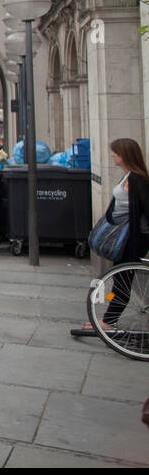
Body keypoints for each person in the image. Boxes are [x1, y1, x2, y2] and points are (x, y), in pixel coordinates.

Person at [78, 138, 149, 333]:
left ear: (125, 155)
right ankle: (109, 318)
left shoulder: (136, 179)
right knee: (120, 278)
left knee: (121, 279)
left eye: (115, 152)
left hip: (133, 239)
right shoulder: (129, 176)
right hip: (129, 237)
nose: (112, 155)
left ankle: (109, 321)